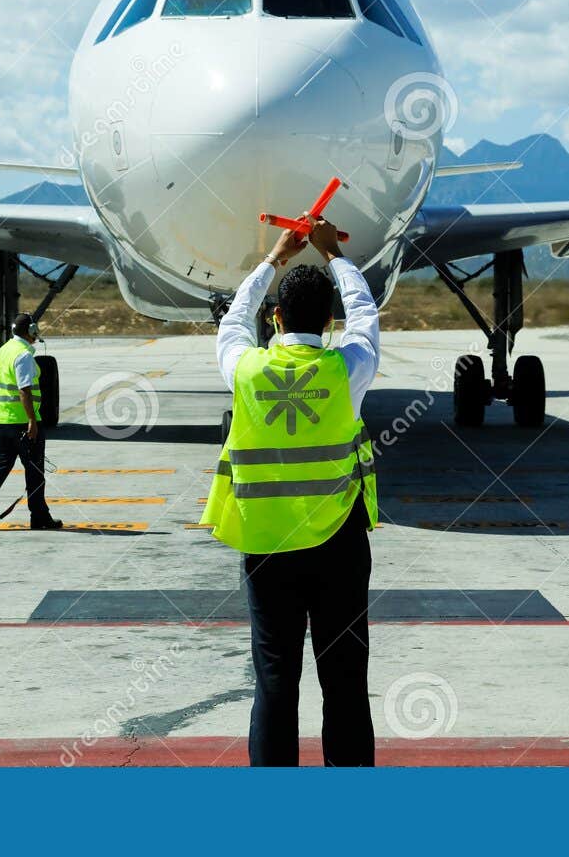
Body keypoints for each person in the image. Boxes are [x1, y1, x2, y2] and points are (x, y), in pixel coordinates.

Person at [202, 213, 381, 766]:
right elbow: (367, 317)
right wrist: (335, 256)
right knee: (345, 680)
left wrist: (274, 259)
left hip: (267, 547)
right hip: (339, 545)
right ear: (329, 323)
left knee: (276, 680)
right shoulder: (346, 369)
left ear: (274, 318)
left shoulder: (246, 369)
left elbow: (232, 321)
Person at [0, 313, 62, 532]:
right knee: (34, 470)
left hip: (2, 420)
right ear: (32, 330)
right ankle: (40, 517)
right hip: (21, 422)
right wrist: (32, 421)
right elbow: (24, 389)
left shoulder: (4, 351)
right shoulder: (23, 355)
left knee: (2, 465)